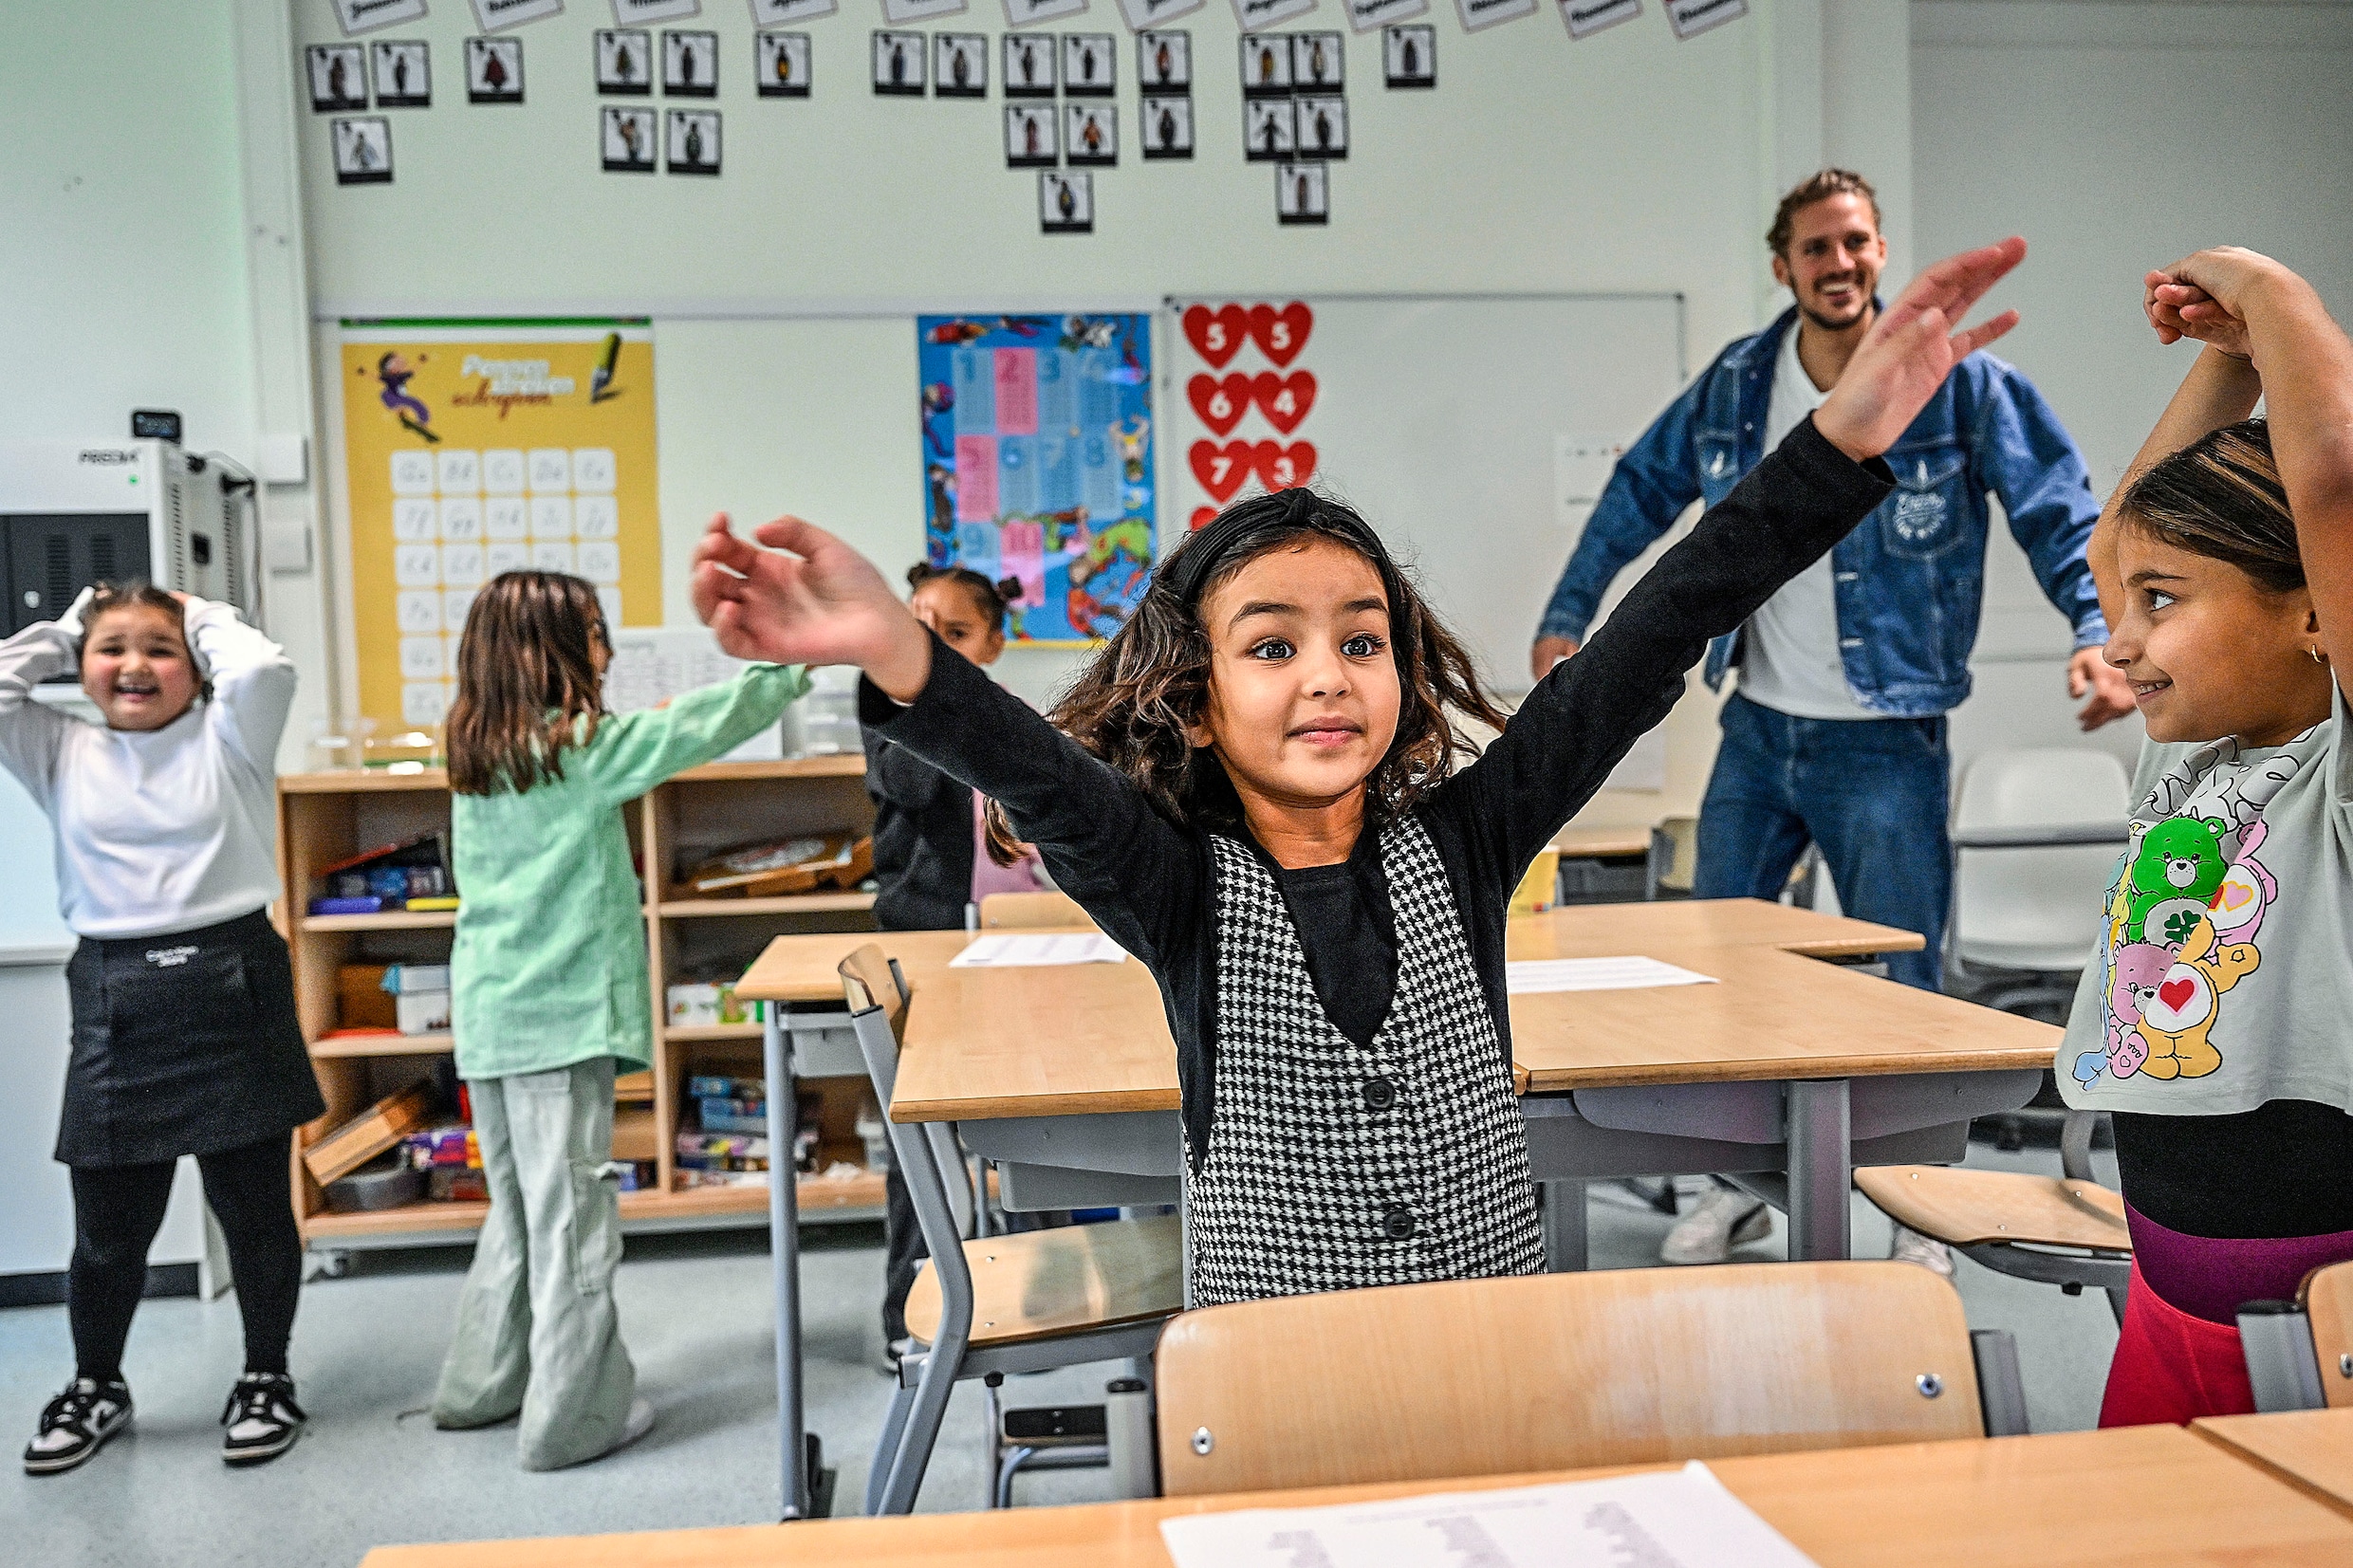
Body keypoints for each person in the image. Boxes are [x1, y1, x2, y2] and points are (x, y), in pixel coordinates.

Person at [693, 239, 2030, 1303]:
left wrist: (1835, 446)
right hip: (1271, 1393)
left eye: (1363, 640)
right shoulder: (1173, 887)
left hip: (1492, 1352)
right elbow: (1034, 772)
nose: (1328, 674)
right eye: (1272, 646)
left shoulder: (1469, 841)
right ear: (1199, 705)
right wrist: (895, 650)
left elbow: (1657, 627)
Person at [1530, 172, 2134, 1267]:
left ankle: (1913, 1209)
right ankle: (1736, 1192)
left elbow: (2056, 502)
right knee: (1714, 968)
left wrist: (2094, 629)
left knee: (1901, 993)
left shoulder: (1960, 385)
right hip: (1757, 725)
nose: (1839, 263)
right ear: (1783, 266)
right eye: (1816, 247)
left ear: (1878, 249)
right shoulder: (1735, 384)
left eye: (1855, 242)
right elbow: (1636, 492)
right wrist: (1569, 614)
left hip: (1886, 737)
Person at [2058, 248, 2353, 1427]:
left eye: (2162, 603)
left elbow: (2330, 486)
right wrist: (2221, 363)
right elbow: (2118, 536)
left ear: (2317, 612)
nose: (2120, 640)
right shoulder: (2190, 757)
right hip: (2171, 1307)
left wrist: (2276, 300)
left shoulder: (2332, 782)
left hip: (2318, 1340)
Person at [430, 566, 806, 1469]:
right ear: (550, 652)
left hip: (489, 1018)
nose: (605, 648)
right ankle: (573, 1419)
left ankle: (482, 1386)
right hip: (560, 1025)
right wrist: (786, 666)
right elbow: (700, 726)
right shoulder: (581, 751)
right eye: (594, 630)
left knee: (519, 1213)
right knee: (575, 1221)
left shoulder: (477, 753)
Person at [4, 583, 317, 1474]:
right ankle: (97, 1384)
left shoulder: (231, 737)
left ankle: (266, 1375)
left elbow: (262, 666)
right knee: (109, 1224)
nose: (135, 666)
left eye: (160, 648)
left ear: (193, 667)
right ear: (81, 667)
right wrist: (64, 629)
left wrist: (198, 607)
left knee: (253, 1210)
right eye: (112, 649)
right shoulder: (56, 745)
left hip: (233, 976)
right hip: (115, 989)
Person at [862, 565, 1046, 1371]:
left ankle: (1045, 1291)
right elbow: (906, 779)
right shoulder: (888, 713)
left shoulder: (1008, 718)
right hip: (925, 944)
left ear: (994, 645)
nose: (934, 645)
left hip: (1015, 951)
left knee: (1042, 1125)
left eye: (957, 635)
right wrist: (942, 701)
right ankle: (905, 1312)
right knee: (922, 1147)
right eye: (920, 626)